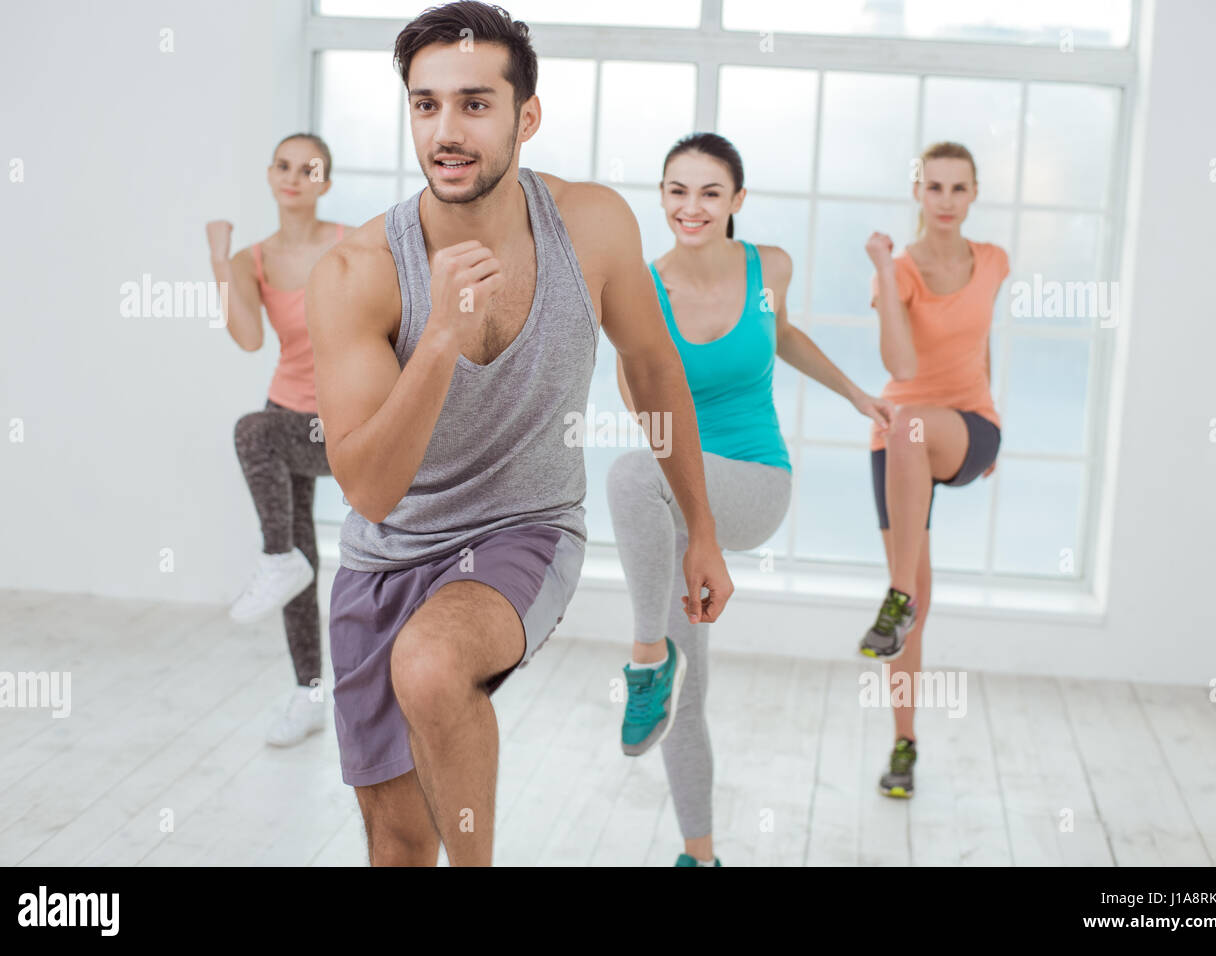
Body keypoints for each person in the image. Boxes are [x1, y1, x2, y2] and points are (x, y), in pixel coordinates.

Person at [305, 0, 732, 867]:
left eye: (474, 103)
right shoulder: (358, 272)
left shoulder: (594, 225)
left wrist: (701, 530)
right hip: (384, 557)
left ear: (525, 116)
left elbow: (652, 369)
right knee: (396, 845)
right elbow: (370, 491)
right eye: (425, 105)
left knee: (430, 664)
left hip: (523, 528)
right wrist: (439, 342)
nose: (446, 131)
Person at [606, 133, 894, 866]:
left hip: (756, 486)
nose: (690, 207)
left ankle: (645, 658)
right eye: (676, 190)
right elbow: (643, 408)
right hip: (680, 498)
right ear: (662, 195)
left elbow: (785, 334)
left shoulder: (770, 267)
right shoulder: (640, 290)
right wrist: (692, 527)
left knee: (631, 474)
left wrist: (858, 392)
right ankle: (700, 856)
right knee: (687, 701)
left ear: (737, 200)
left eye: (709, 192)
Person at [861, 140, 1007, 798]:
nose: (946, 200)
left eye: (958, 188)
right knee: (916, 608)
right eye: (934, 188)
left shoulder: (994, 262)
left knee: (911, 422)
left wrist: (993, 437)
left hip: (966, 428)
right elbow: (899, 367)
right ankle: (904, 746)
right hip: (899, 444)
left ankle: (893, 600)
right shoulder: (898, 268)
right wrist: (887, 273)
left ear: (974, 195)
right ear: (918, 194)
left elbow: (983, 343)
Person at [206, 132, 347, 747]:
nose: (293, 177)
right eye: (283, 166)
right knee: (299, 563)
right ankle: (308, 695)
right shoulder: (253, 260)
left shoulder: (352, 245)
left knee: (250, 433)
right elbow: (247, 339)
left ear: (325, 181)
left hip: (346, 422)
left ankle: (276, 558)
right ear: (271, 176)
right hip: (287, 416)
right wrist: (219, 260)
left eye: (307, 168)